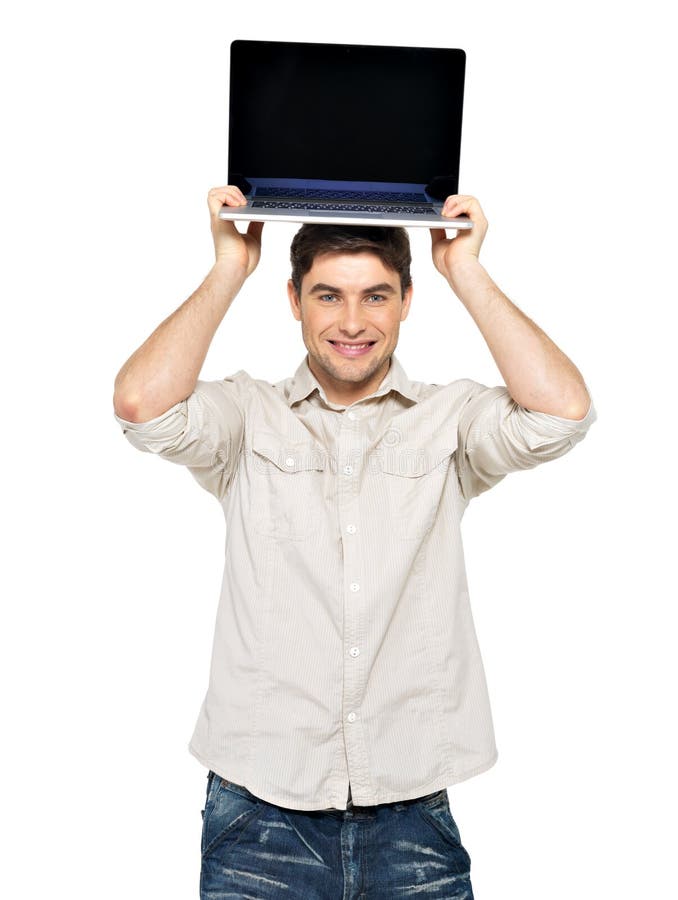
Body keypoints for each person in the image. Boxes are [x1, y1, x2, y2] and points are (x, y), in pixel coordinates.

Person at [113, 185, 597, 898]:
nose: (351, 321)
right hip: (258, 816)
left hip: (410, 812)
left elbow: (563, 412)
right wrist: (227, 270)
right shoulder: (245, 416)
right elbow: (140, 406)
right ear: (295, 301)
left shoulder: (450, 418)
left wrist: (465, 270)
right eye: (328, 295)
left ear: (406, 301)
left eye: (375, 296)